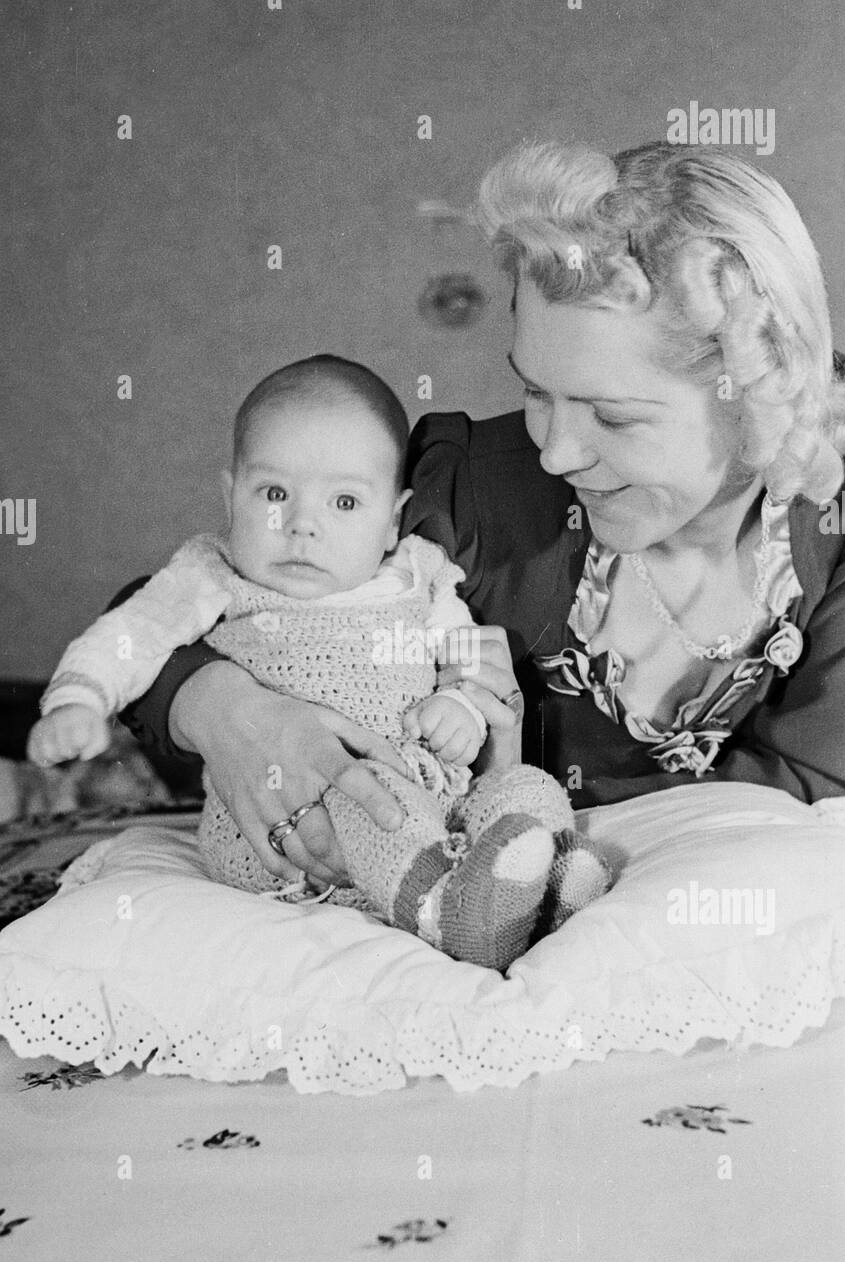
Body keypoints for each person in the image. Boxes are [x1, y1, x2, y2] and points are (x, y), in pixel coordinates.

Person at [99, 140, 845, 892]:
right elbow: (161, 618)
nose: (556, 454)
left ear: (756, 392)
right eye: (535, 392)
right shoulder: (463, 497)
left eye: (614, 418)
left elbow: (812, 794)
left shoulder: (835, 531)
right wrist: (228, 711)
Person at [28, 355, 610, 972]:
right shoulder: (213, 576)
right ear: (231, 497)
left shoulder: (419, 574)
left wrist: (461, 703)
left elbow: (468, 654)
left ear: (392, 520)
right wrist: (79, 700)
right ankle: (448, 912)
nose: (302, 524)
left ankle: (546, 885)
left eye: (344, 502)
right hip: (284, 826)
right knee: (365, 784)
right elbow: (131, 632)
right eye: (275, 493)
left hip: (434, 804)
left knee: (520, 786)